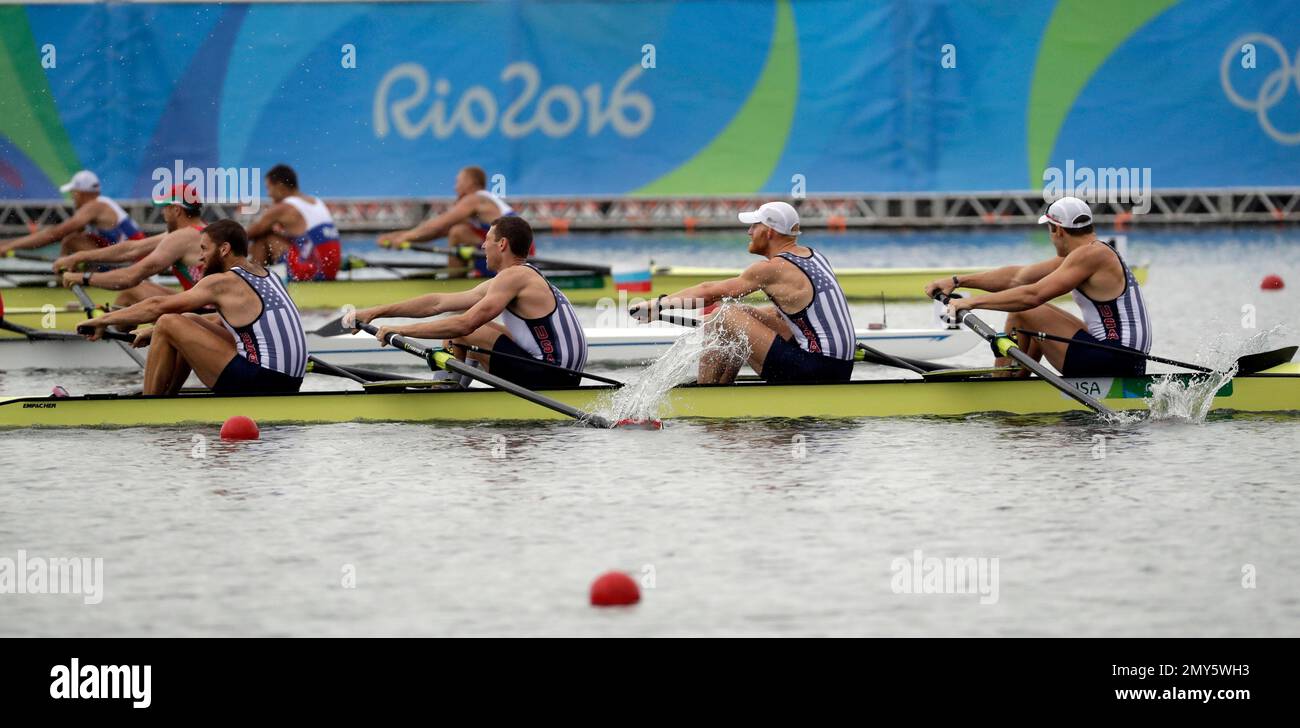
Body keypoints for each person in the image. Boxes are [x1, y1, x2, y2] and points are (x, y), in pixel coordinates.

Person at [629, 201, 857, 384]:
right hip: (836, 367)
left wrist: (658, 305)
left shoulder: (772, 269)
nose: (749, 231)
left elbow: (710, 292)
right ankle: (720, 389)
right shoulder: (812, 255)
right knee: (738, 314)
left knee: (724, 315)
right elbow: (787, 314)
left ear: (768, 232)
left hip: (816, 371)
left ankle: (707, 396)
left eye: (754, 226)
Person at [924, 196, 1151, 376]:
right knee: (1028, 319)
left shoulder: (1092, 256)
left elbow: (1033, 295)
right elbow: (1018, 278)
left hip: (1116, 360)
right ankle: (1013, 377)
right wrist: (957, 281)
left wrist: (971, 302)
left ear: (1058, 230)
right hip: (1121, 357)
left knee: (1026, 310)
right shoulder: (1087, 253)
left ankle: (1003, 382)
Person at [349, 216, 586, 388]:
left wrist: (399, 330)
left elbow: (464, 325)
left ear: (502, 244)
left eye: (487, 240)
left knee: (459, 332)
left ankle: (445, 394)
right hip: (562, 373)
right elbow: (437, 303)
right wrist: (375, 312)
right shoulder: (520, 275)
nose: (482, 246)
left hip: (552, 377)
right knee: (472, 329)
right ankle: (452, 389)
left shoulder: (514, 277)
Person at [77, 219, 307, 395]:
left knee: (168, 321)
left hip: (261, 380)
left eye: (204, 249)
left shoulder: (222, 282)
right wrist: (152, 331)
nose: (200, 257)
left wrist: (101, 320)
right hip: (290, 382)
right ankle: (167, 397)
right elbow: (220, 322)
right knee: (186, 319)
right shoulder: (267, 275)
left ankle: (149, 407)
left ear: (224, 249)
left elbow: (158, 306)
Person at [55, 184, 206, 306]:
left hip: (206, 312)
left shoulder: (182, 238)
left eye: (164, 208)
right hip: (201, 302)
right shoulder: (193, 232)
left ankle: (107, 333)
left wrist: (82, 278)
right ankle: (110, 329)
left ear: (176, 210)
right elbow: (131, 249)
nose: (162, 214)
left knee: (133, 291)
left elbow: (129, 277)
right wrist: (80, 257)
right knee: (136, 290)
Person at [377, 165, 530, 276]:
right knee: (457, 231)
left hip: (517, 257)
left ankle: (453, 281)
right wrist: (398, 236)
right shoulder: (483, 203)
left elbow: (440, 223)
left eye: (458, 182)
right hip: (509, 254)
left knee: (458, 232)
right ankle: (459, 278)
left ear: (469, 183)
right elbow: (438, 232)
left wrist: (406, 237)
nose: (455, 188)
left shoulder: (475, 199)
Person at [0, 170, 145, 257]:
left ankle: (67, 277)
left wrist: (10, 247)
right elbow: (55, 234)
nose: (72, 198)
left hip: (134, 258)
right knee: (73, 239)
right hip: (129, 254)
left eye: (73, 193)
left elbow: (55, 234)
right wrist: (7, 244)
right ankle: (70, 274)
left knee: (71, 240)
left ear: (80, 193)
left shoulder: (94, 207)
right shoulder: (101, 204)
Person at [245, 164, 342, 280]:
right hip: (331, 272)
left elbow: (248, 234)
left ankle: (251, 282)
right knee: (274, 234)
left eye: (269, 188)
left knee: (262, 237)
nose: (268, 194)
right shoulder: (317, 201)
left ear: (280, 187)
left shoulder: (284, 207)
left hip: (313, 272)